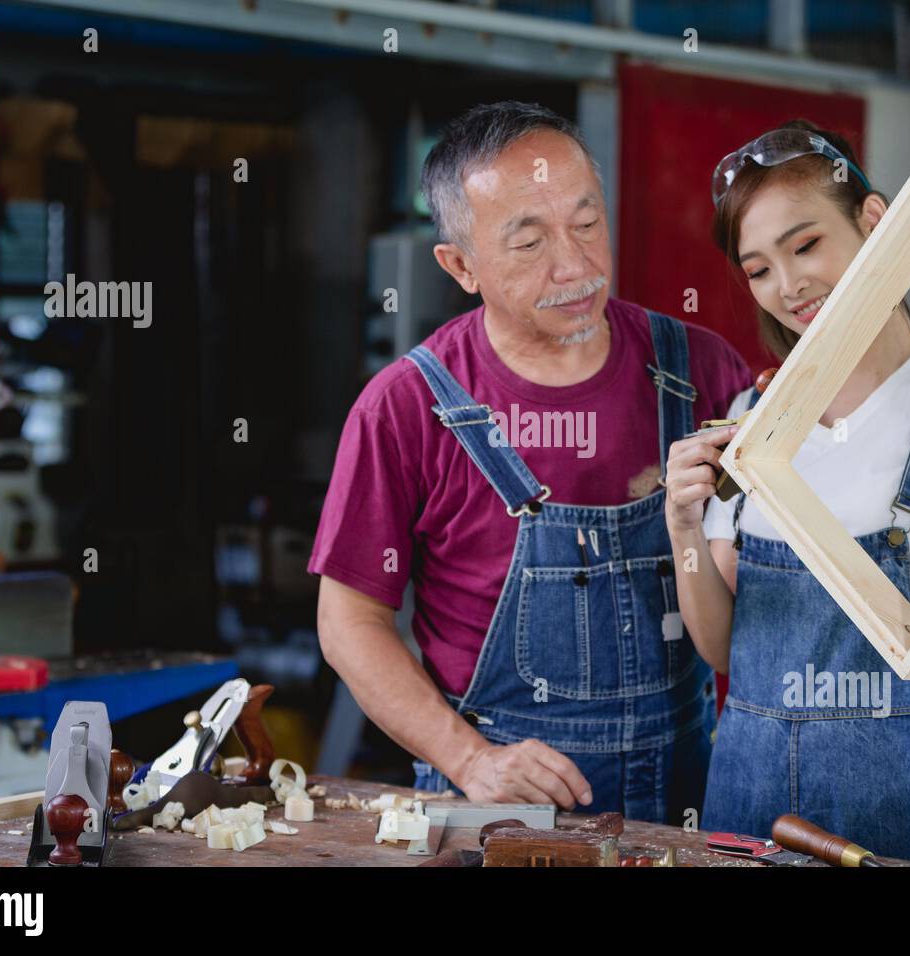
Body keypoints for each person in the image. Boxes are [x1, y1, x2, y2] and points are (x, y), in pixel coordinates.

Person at [311, 102, 753, 822]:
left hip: (691, 798)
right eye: (528, 243)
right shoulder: (404, 408)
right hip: (499, 813)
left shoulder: (700, 368)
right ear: (460, 265)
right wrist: (468, 760)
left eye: (586, 224)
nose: (575, 266)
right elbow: (349, 622)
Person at [664, 120, 910, 865]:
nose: (788, 286)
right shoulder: (756, 421)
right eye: (758, 269)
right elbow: (723, 651)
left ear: (876, 220)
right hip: (748, 798)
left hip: (908, 797)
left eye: (806, 244)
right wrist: (685, 527)